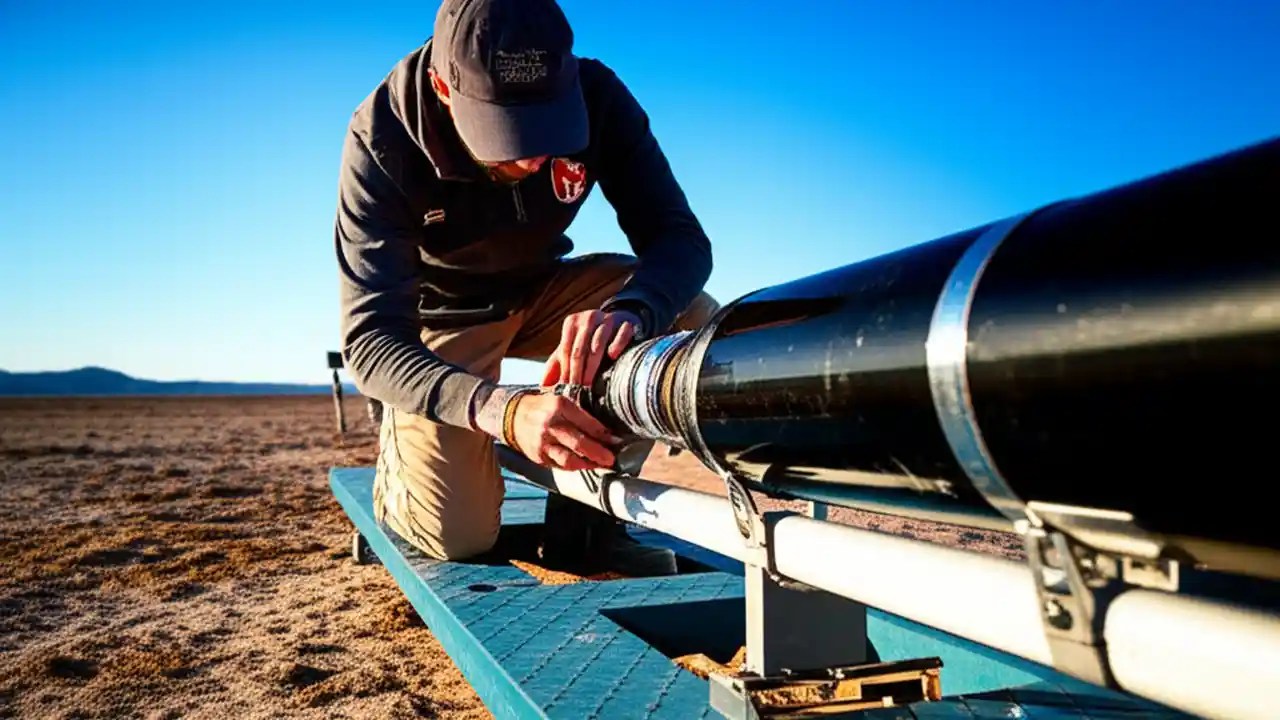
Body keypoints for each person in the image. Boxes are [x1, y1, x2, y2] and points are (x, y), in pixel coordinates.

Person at [333, 0, 716, 562]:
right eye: (507, 133)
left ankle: (586, 523)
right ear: (444, 88)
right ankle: (402, 477)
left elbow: (681, 239)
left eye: (549, 126)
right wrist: (503, 411)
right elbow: (369, 342)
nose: (535, 157)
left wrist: (632, 312)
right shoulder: (380, 139)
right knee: (458, 538)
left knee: (689, 315)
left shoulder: (601, 95)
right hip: (447, 320)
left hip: (543, 290)